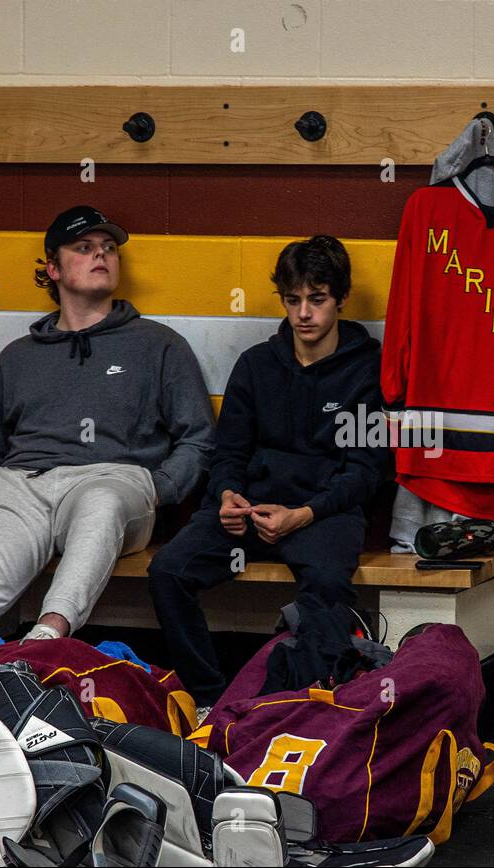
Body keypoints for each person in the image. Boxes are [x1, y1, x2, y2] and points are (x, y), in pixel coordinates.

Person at [0, 206, 214, 647]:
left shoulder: (158, 345)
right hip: (21, 488)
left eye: (109, 248)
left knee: (101, 500)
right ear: (53, 268)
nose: (101, 255)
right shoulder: (19, 355)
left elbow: (199, 437)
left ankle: (46, 638)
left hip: (111, 482)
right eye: (84, 248)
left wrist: (159, 488)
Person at [148, 236, 387, 722]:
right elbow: (228, 452)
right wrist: (227, 496)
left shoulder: (369, 369)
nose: (304, 313)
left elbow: (366, 471)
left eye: (317, 300)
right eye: (293, 299)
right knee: (168, 569)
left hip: (324, 512)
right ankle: (210, 699)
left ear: (340, 298)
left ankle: (293, 710)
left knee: (325, 589)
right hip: (252, 510)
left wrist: (303, 514)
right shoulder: (257, 364)